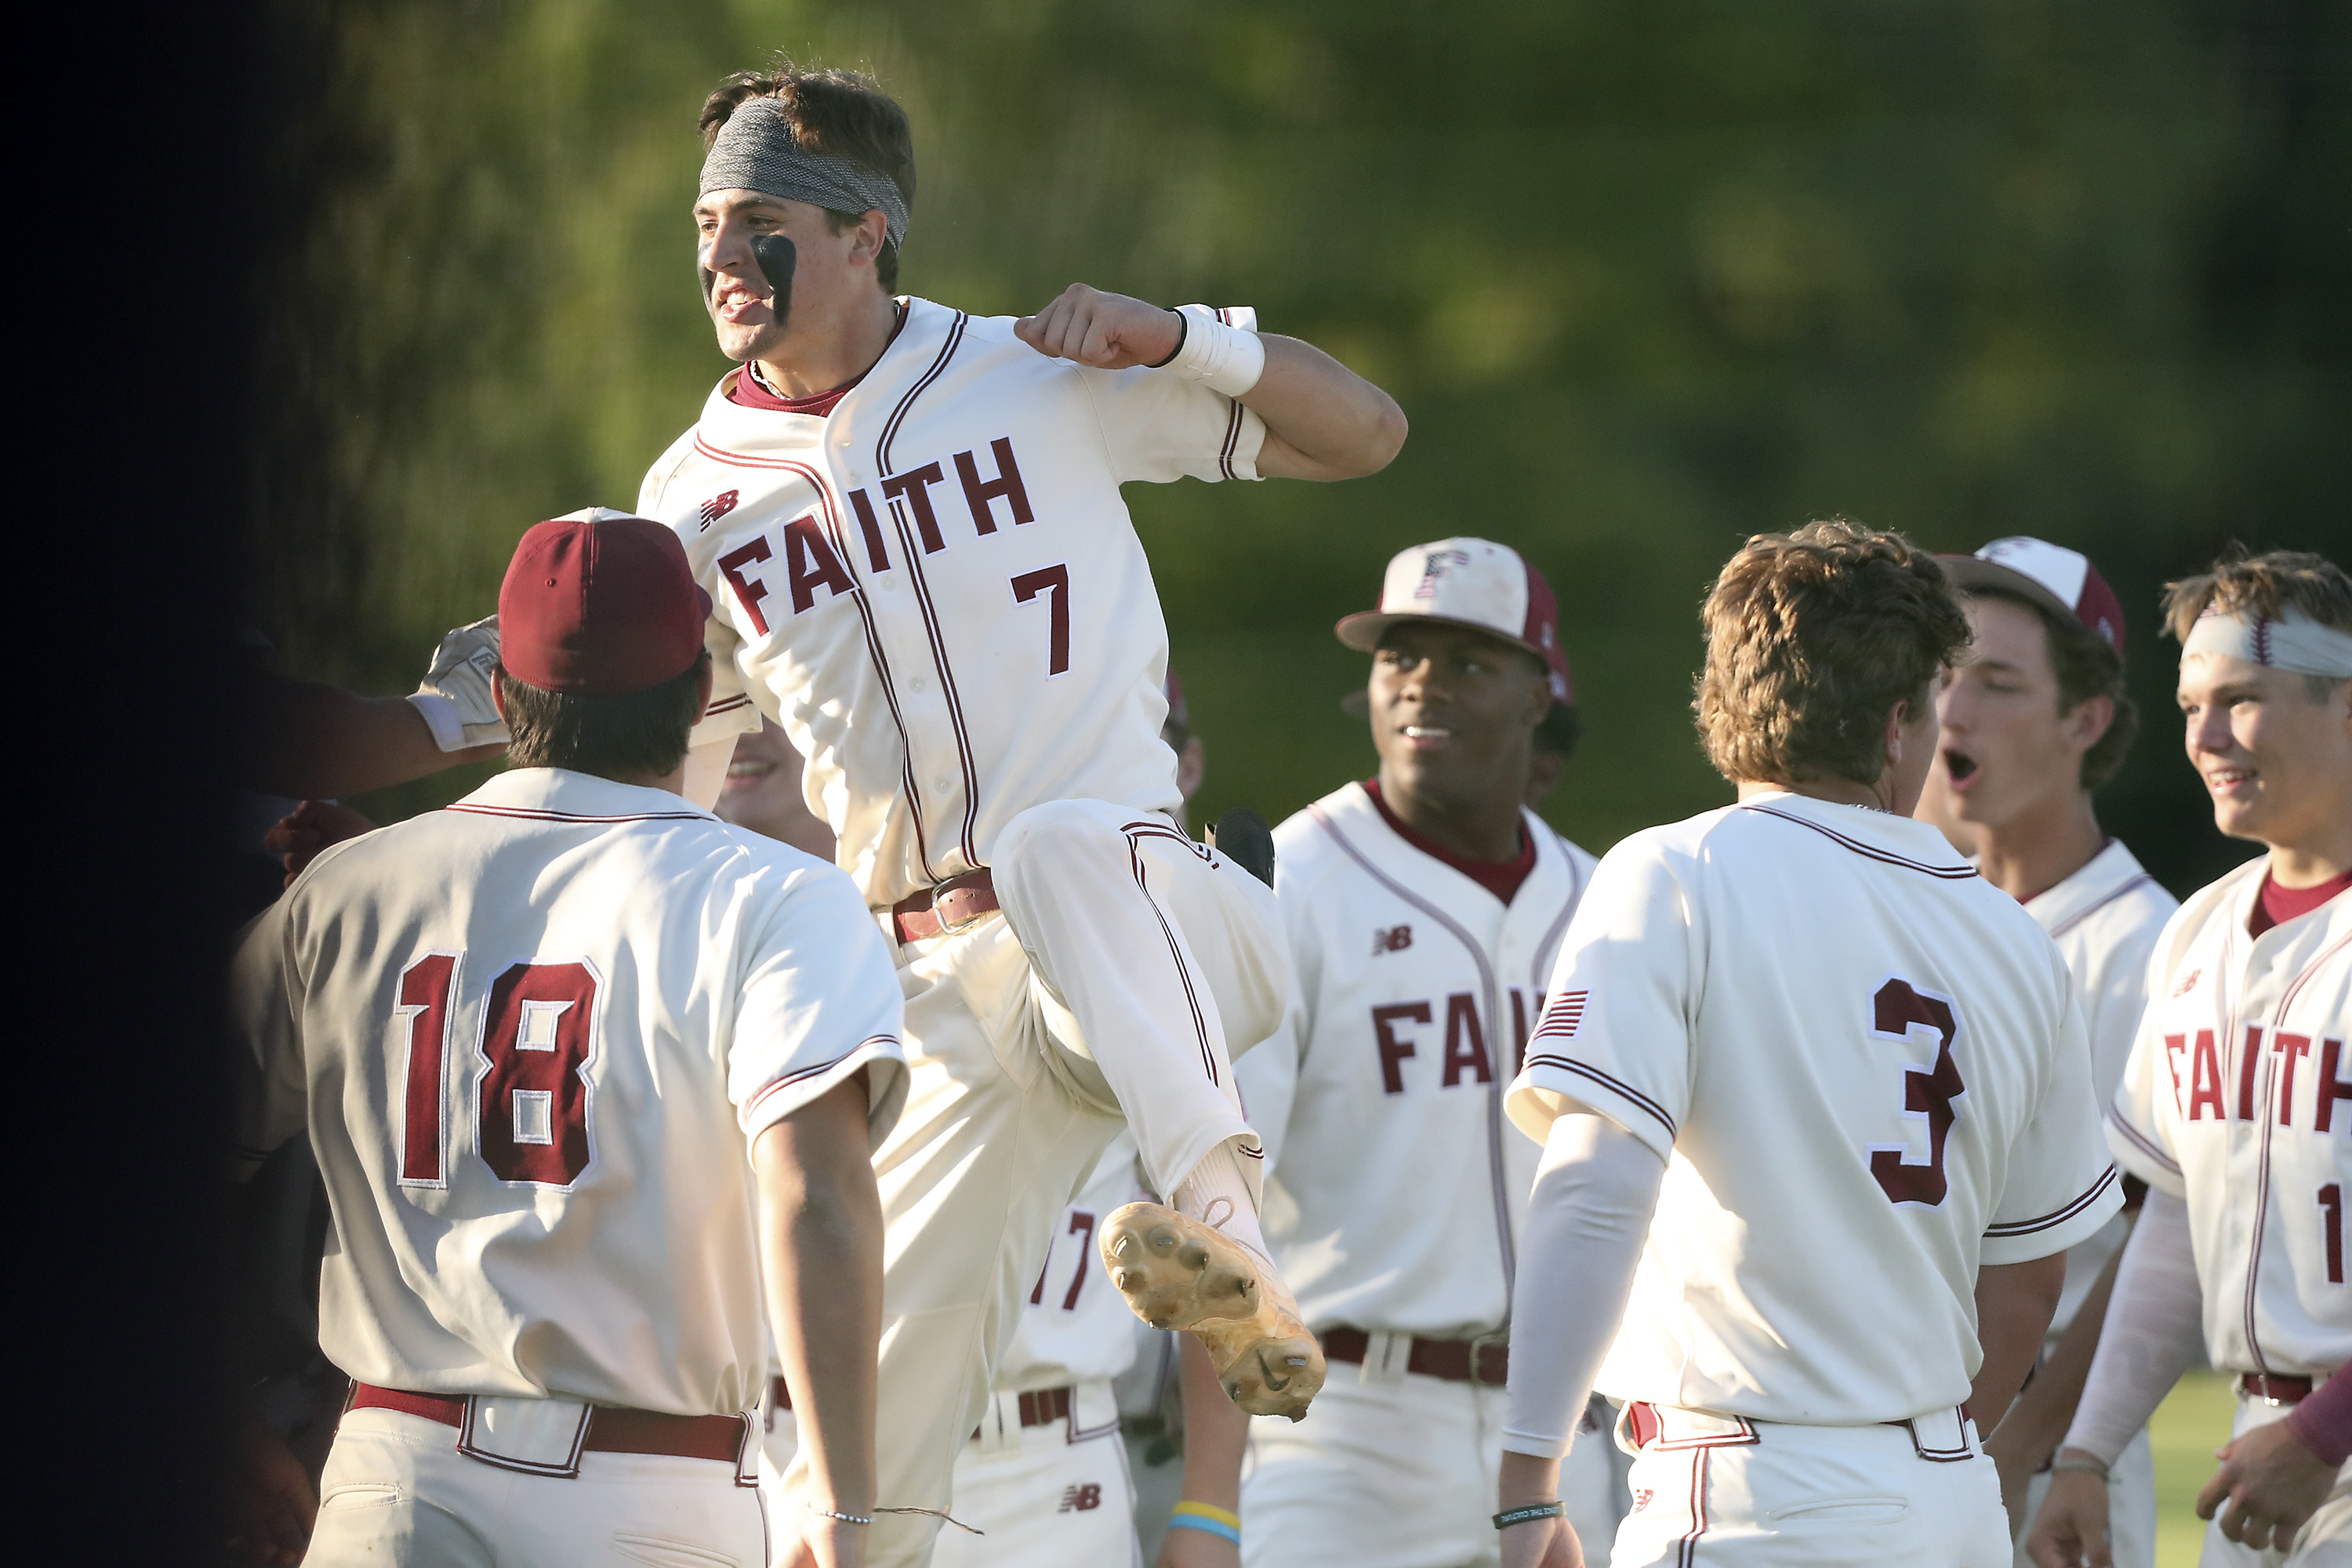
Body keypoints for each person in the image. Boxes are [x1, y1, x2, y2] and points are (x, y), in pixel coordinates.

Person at [228, 511, 908, 1568]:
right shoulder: (778, 896)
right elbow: (815, 1196)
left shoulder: (348, 890)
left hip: (395, 1481)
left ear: (501, 695)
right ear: (699, 696)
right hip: (650, 1502)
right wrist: (844, 1502)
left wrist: (210, 1417)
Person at [1494, 520, 2123, 1568]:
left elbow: (1596, 1186)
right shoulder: (2013, 936)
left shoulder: (1676, 873)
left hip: (1746, 1493)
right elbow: (2027, 1281)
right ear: (1898, 723)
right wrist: (1904, 1452)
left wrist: (1528, 1478)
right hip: (1947, 1495)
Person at [1155, 538, 1609, 1568]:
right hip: (1348, 1427)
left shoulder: (1603, 904)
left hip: (1560, 1428)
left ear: (1539, 697)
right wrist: (1209, 1500)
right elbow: (1216, 1200)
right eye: (1398, 655)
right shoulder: (1287, 883)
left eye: (1469, 662)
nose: (1421, 684)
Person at [747, 677, 1208, 1568]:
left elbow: (1214, 1233)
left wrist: (1213, 1507)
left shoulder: (1133, 943)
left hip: (1048, 1452)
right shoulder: (787, 927)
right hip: (815, 1440)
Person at [2027, 548, 2352, 1568]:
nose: (2205, 737)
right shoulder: (2200, 931)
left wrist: (2323, 1433)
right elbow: (2175, 1221)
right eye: (2190, 705)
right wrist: (2087, 1453)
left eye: (2242, 700)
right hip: (2253, 1461)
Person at [1925, 538, 2176, 1567]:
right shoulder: (1918, 917)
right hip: (1906, 1435)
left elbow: (2160, 1245)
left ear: (2086, 719)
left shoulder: (2145, 943)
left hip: (2051, 1452)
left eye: (1998, 682)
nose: (1954, 709)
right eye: (1943, 673)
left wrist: (2023, 1447)